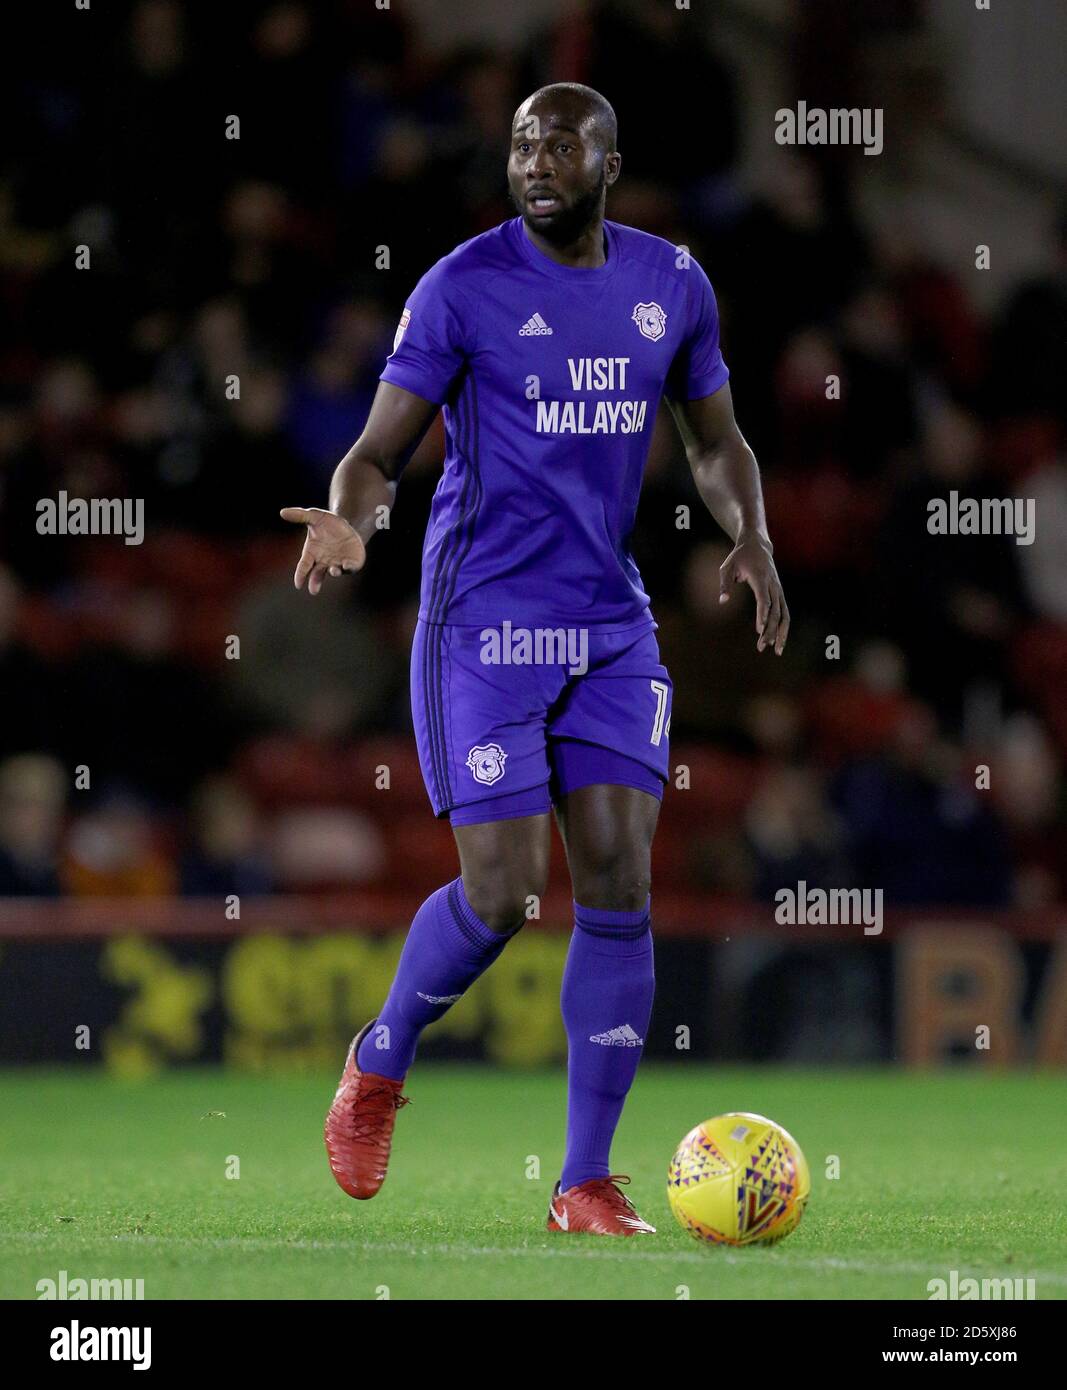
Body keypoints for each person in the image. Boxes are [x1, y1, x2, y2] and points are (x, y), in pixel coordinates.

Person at [282, 83, 788, 1236]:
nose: (534, 160)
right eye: (519, 144)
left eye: (560, 143)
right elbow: (375, 451)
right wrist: (350, 516)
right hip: (481, 627)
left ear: (611, 160)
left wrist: (747, 531)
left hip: (608, 624)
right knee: (504, 893)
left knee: (618, 880)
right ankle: (380, 1055)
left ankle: (583, 1182)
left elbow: (715, 442)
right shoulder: (460, 287)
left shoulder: (672, 285)